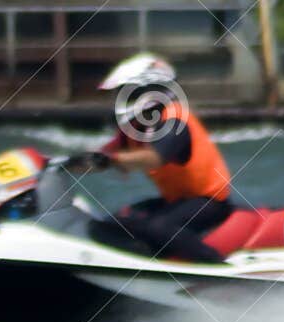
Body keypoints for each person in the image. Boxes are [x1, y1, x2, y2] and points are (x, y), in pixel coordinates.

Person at [78, 53, 233, 263]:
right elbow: (101, 155)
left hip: (209, 203)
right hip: (176, 201)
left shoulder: (175, 120)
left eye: (126, 93)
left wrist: (114, 160)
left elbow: (154, 158)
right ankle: (143, 263)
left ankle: (217, 268)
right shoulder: (135, 128)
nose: (119, 99)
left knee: (159, 227)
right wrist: (63, 164)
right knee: (115, 222)